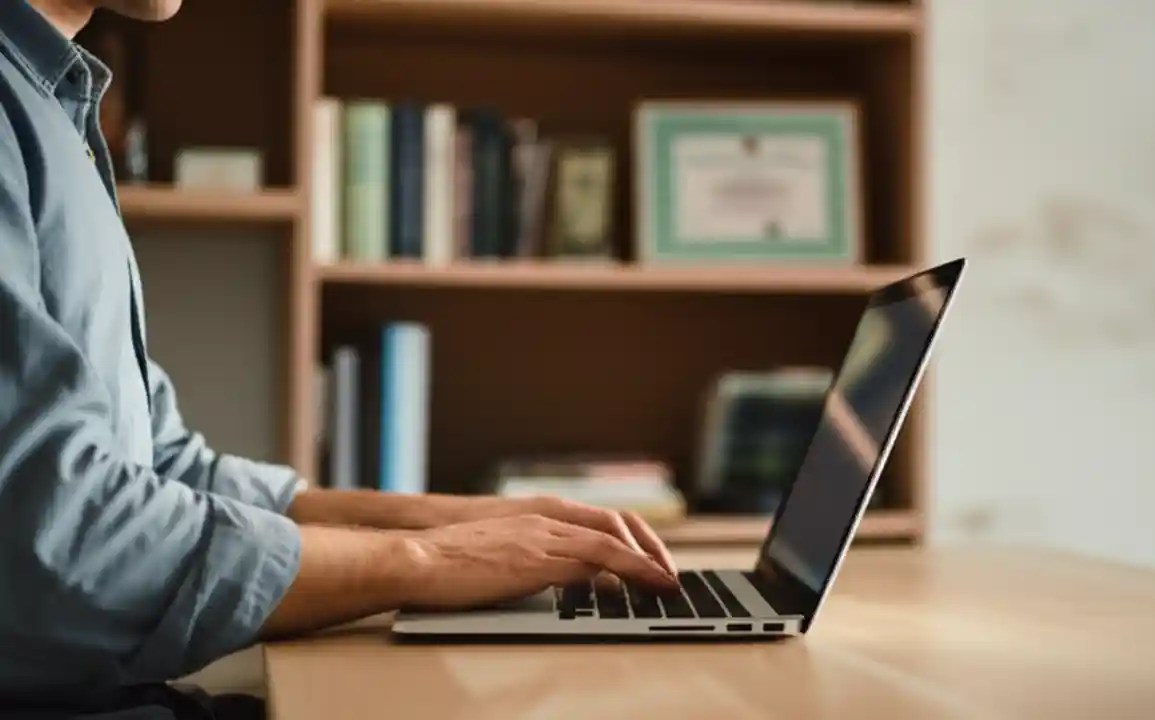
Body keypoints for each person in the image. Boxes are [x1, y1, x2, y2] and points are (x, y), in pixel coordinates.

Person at [0, 1, 679, 717]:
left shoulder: (49, 102)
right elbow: (63, 540)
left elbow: (165, 467)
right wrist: (426, 564)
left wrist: (453, 525)